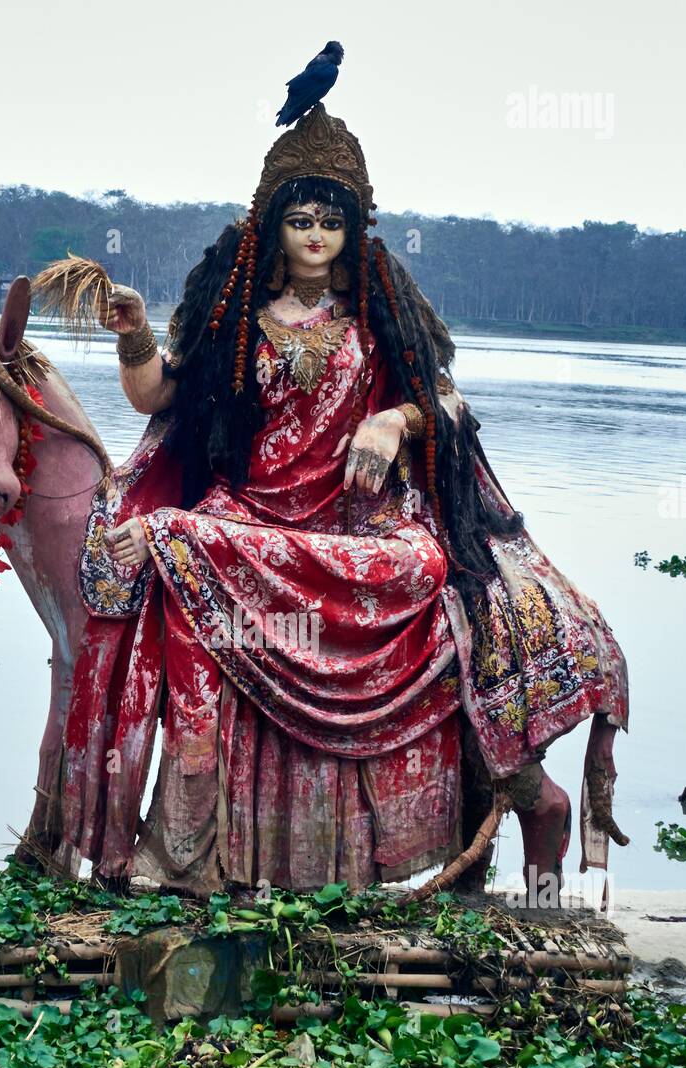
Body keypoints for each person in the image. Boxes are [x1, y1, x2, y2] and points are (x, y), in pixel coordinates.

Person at [58, 103, 628, 897]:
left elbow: (450, 408)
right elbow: (154, 397)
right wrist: (133, 335)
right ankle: (203, 864)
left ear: (353, 231)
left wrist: (394, 421)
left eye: (331, 221)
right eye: (300, 220)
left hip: (356, 526)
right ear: (272, 231)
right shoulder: (234, 323)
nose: (317, 236)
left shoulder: (381, 324)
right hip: (248, 517)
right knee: (186, 540)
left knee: (421, 566)